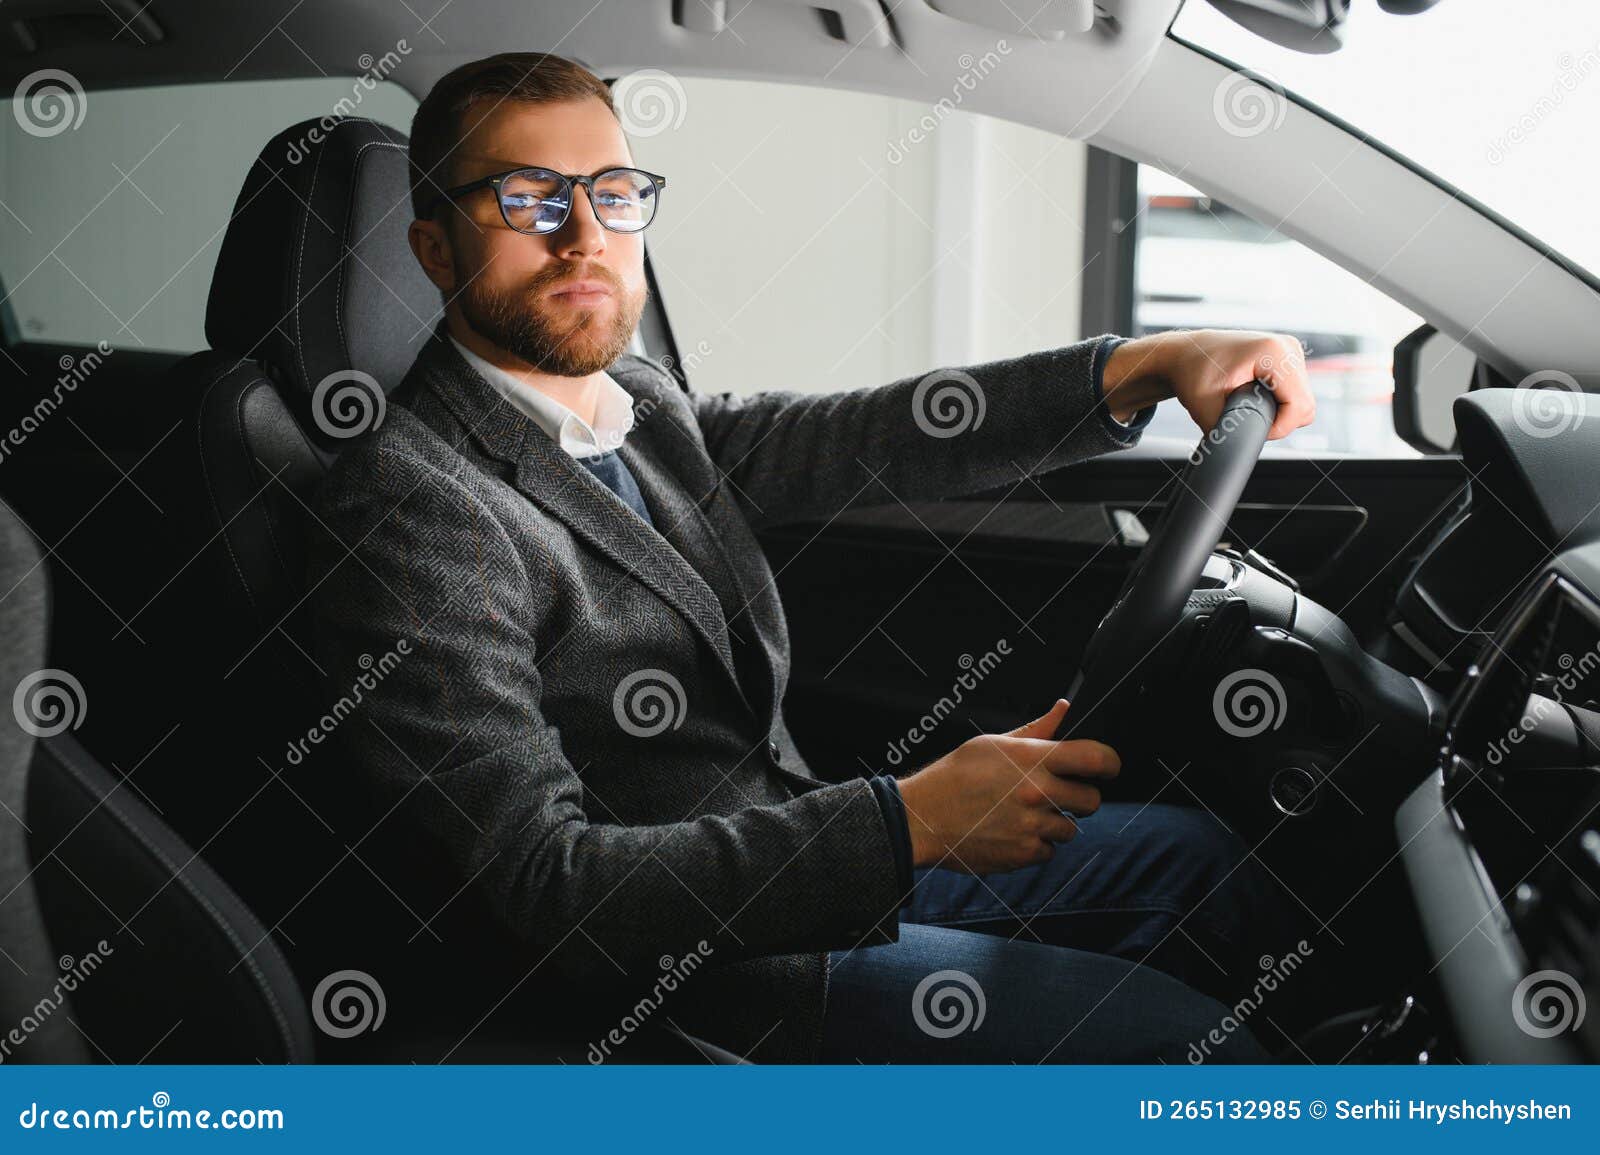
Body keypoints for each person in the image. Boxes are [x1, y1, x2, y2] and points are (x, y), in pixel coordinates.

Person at [307, 51, 1317, 1064]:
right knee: (1192, 1050)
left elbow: (873, 435)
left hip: (786, 850)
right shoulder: (412, 506)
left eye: (614, 194)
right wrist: (903, 824)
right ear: (434, 249)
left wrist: (1133, 368)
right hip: (693, 981)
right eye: (529, 199)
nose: (586, 236)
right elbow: (540, 891)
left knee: (1201, 870)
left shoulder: (638, 406)